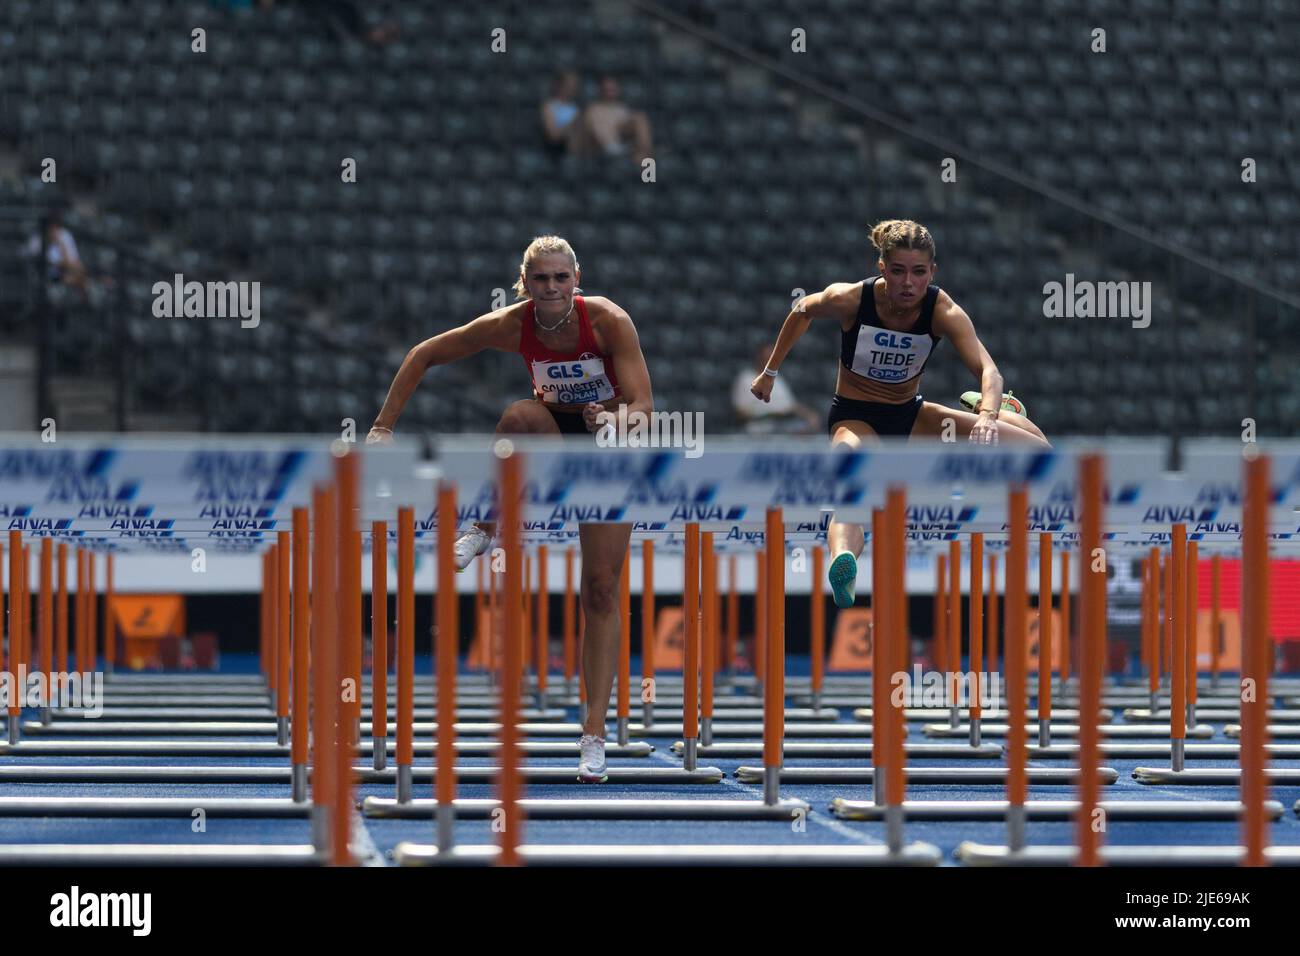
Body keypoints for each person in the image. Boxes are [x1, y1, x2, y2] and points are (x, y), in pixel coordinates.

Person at [367, 236, 653, 782]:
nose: (550, 289)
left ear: (577, 279)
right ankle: (486, 525)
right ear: (525, 282)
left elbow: (645, 405)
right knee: (519, 416)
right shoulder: (511, 323)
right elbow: (423, 354)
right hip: (551, 428)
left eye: (560, 278)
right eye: (540, 279)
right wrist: (383, 427)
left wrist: (615, 422)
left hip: (611, 444)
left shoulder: (611, 321)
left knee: (599, 588)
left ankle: (593, 734)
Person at [750, 218, 1050, 609]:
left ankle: (1000, 409)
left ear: (932, 273)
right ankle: (844, 561)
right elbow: (802, 310)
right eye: (898, 272)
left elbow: (989, 370)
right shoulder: (852, 299)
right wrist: (770, 371)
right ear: (882, 270)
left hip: (912, 417)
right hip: (855, 416)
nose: (908, 283)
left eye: (918, 272)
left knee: (1042, 454)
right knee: (848, 476)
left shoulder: (943, 311)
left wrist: (989, 416)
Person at [731, 342, 820, 434]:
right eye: (766, 358)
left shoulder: (778, 379)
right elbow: (740, 413)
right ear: (758, 358)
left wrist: (809, 415)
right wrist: (770, 415)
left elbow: (792, 405)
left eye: (771, 358)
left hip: (784, 424)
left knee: (803, 429)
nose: (769, 361)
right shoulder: (745, 378)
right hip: (760, 426)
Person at [577, 77, 653, 164]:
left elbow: (626, 130)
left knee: (640, 117)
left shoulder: (622, 109)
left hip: (621, 146)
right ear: (601, 90)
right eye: (607, 89)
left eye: (612, 89)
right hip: (601, 148)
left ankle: (647, 155)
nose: (610, 92)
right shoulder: (593, 109)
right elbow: (590, 131)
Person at [540, 70, 581, 161]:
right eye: (569, 85)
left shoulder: (575, 108)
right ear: (560, 85)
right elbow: (553, 135)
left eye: (574, 85)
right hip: (556, 150)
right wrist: (572, 125)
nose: (572, 88)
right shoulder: (549, 106)